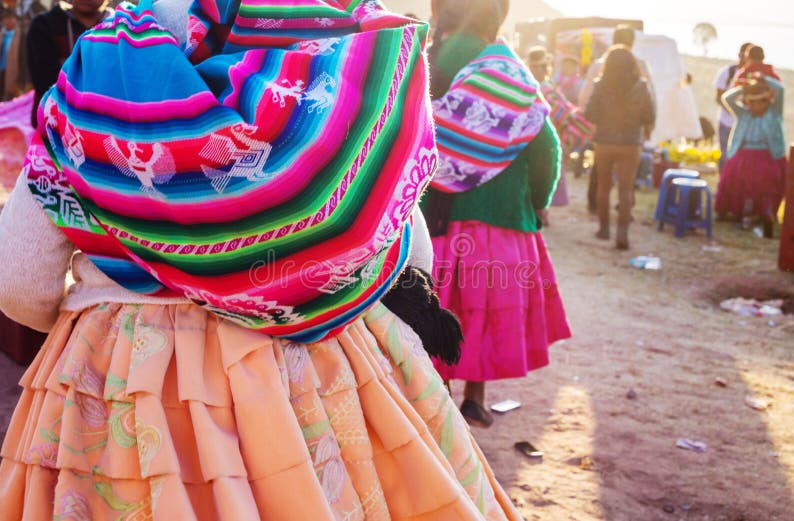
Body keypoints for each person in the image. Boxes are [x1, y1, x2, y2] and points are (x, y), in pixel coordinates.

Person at [0, 0, 523, 518]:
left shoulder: (95, 73)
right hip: (317, 363)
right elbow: (399, 229)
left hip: (129, 381)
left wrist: (100, 304)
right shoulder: (339, 46)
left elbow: (19, 278)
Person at [423, 0, 571, 428]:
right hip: (503, 220)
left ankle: (436, 393)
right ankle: (475, 397)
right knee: (484, 310)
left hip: (431, 219)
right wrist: (538, 201)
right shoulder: (507, 69)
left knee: (437, 304)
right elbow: (546, 148)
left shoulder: (424, 60)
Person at [584, 45, 656, 250]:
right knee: (626, 188)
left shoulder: (600, 85)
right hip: (631, 143)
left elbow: (590, 114)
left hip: (604, 141)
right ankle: (622, 234)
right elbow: (649, 116)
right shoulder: (641, 87)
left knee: (604, 186)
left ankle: (604, 229)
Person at [579, 24, 655, 214]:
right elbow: (650, 104)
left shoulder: (600, 66)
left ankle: (598, 217)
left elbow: (586, 101)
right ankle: (624, 222)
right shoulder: (641, 66)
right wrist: (647, 129)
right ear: (633, 41)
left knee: (601, 182)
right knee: (626, 186)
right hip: (631, 138)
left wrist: (591, 125)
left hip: (604, 137)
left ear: (613, 40)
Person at [715, 75, 786, 238]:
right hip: (743, 154)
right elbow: (727, 99)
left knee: (764, 184)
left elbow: (780, 90)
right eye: (751, 102)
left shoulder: (774, 114)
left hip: (766, 156)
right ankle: (729, 211)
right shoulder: (743, 114)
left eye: (758, 102)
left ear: (766, 101)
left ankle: (763, 214)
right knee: (732, 180)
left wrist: (764, 80)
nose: (754, 106)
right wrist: (743, 88)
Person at [528, 46, 594, 216]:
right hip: (537, 137)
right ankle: (540, 211)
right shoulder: (545, 86)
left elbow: (561, 111)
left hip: (546, 137)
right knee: (541, 175)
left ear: (544, 68)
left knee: (544, 175)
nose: (534, 70)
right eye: (532, 67)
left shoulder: (546, 87)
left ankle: (542, 211)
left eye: (537, 67)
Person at [25, 0, 111, 126]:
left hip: (110, 128)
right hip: (54, 127)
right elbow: (44, 83)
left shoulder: (123, 29)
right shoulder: (44, 26)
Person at [714, 42, 752, 170]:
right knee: (725, 155)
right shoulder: (727, 72)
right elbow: (718, 97)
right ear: (740, 54)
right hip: (725, 122)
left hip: (744, 124)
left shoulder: (752, 76)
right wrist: (734, 110)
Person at [0, 7, 20, 100]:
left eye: (10, 18)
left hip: (12, 72)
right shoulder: (2, 34)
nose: (7, 21)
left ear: (15, 19)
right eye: (5, 19)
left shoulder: (20, 36)